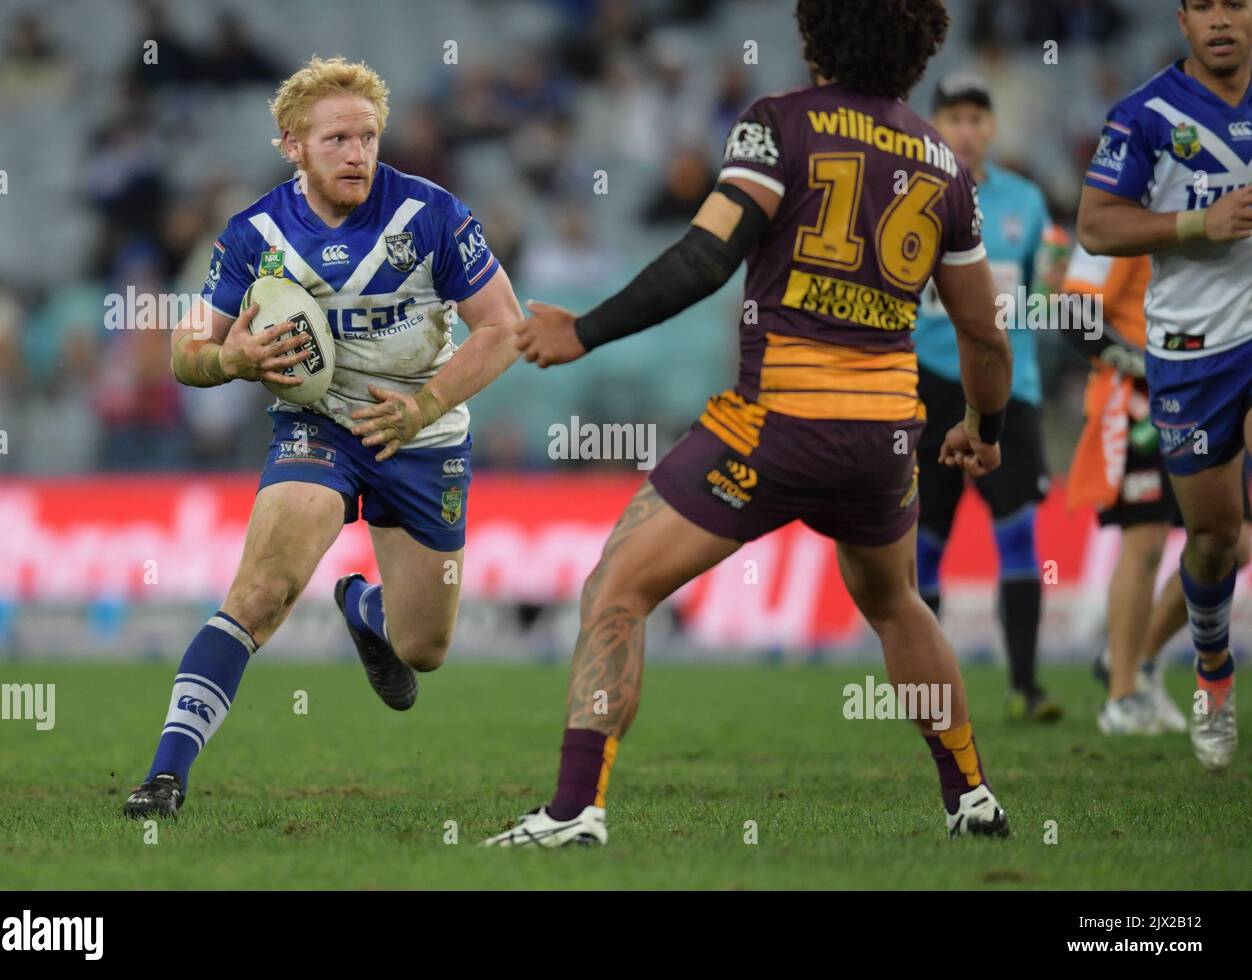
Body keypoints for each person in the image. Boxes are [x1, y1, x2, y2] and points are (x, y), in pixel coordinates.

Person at [485, 0, 1014, 847]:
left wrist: (582, 330)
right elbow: (984, 332)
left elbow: (705, 255)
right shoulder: (944, 164)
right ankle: (972, 795)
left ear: (813, 34)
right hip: (883, 437)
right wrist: (984, 428)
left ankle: (574, 810)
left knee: (617, 588)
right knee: (896, 603)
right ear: (920, 50)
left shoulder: (779, 125)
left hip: (774, 424)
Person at [122, 57, 522, 816]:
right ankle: (165, 776)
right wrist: (233, 358)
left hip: (423, 431)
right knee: (261, 592)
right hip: (319, 427)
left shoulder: (431, 215)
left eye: (368, 136)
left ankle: (365, 611)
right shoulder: (254, 234)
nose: (357, 153)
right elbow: (185, 352)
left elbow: (504, 328)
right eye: (337, 138)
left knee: (423, 650)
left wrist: (421, 404)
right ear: (293, 146)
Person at [1077, 0, 1252, 770]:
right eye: (1205, 4)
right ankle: (1210, 668)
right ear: (1183, 19)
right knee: (1213, 540)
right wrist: (1194, 226)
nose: (1222, 19)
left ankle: (1133, 678)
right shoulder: (1144, 115)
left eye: (1236, 3)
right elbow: (1094, 227)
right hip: (1188, 351)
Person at [913, 74, 1062, 722]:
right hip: (925, 387)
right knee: (923, 543)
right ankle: (927, 694)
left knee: (1019, 532)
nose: (966, 130)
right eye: (953, 117)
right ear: (935, 127)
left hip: (1008, 390)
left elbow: (1050, 295)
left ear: (992, 128)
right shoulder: (911, 198)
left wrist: (1053, 290)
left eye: (977, 117)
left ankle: (1025, 688)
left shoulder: (1026, 204)